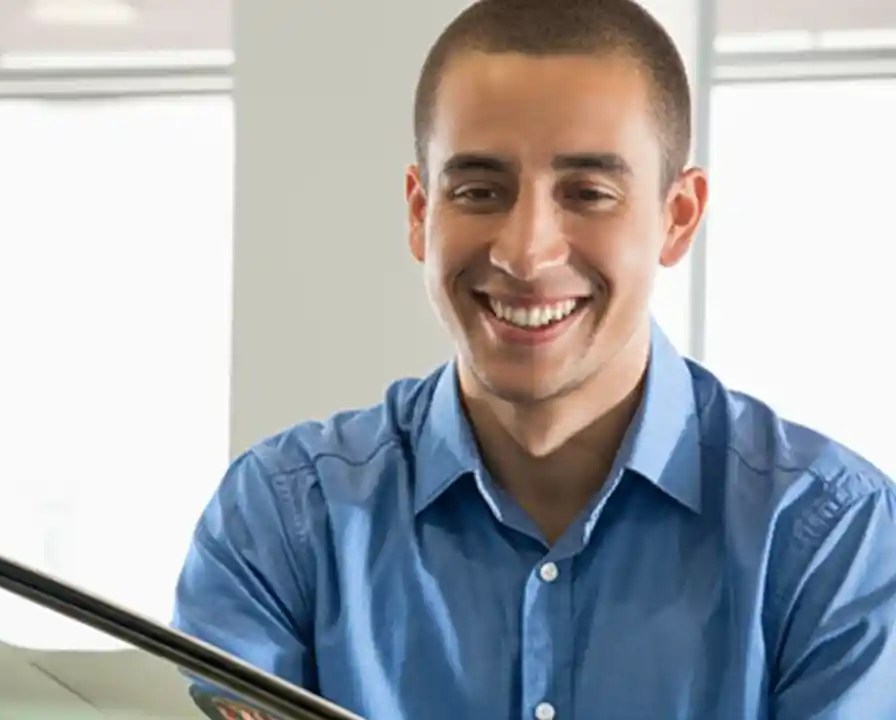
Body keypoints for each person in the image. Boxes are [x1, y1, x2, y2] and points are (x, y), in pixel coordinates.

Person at [172, 0, 896, 718]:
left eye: (588, 193)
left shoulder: (829, 536)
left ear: (678, 218)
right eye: (480, 191)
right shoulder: (281, 521)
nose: (524, 251)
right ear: (421, 213)